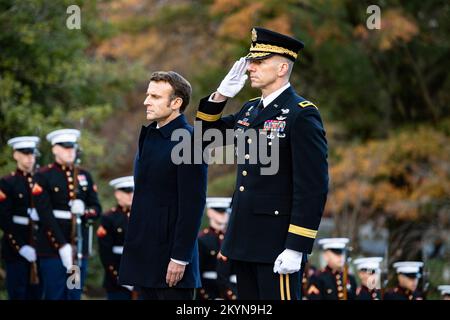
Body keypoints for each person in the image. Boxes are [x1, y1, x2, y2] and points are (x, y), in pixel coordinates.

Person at [195, 27, 328, 299]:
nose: (250, 67)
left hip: (277, 243)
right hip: (244, 240)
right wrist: (221, 95)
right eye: (251, 60)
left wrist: (297, 246)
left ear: (281, 68)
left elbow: (312, 187)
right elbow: (203, 139)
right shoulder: (250, 109)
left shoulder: (301, 115)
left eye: (259, 62)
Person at [119, 71, 208, 300]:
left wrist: (180, 258)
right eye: (148, 94)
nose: (146, 101)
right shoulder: (151, 137)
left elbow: (192, 206)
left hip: (172, 264)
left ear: (176, 103)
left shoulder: (189, 141)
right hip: (145, 259)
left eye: (155, 96)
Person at [33, 129, 102, 300]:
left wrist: (85, 211)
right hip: (52, 249)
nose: (70, 151)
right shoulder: (43, 176)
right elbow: (44, 214)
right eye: (65, 148)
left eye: (72, 148)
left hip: (77, 251)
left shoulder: (84, 175)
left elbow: (96, 209)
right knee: (55, 294)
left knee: (73, 293)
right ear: (55, 149)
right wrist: (62, 245)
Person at [0, 136, 42, 299]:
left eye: (32, 154)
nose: (29, 158)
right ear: (16, 155)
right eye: (25, 154)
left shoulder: (41, 180)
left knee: (38, 292)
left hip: (40, 244)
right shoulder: (7, 182)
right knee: (18, 292)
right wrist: (21, 247)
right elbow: (3, 218)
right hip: (16, 246)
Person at [97, 176, 137, 300]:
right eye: (127, 192)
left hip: (142, 278)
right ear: (118, 194)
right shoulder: (109, 217)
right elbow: (105, 252)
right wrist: (119, 276)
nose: (131, 195)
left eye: (133, 192)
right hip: (117, 278)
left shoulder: (144, 216)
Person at [197, 197, 237, 300]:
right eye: (219, 211)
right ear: (209, 212)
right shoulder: (202, 239)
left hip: (234, 291)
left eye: (226, 211)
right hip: (211, 292)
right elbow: (198, 273)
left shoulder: (233, 239)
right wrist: (208, 297)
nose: (224, 215)